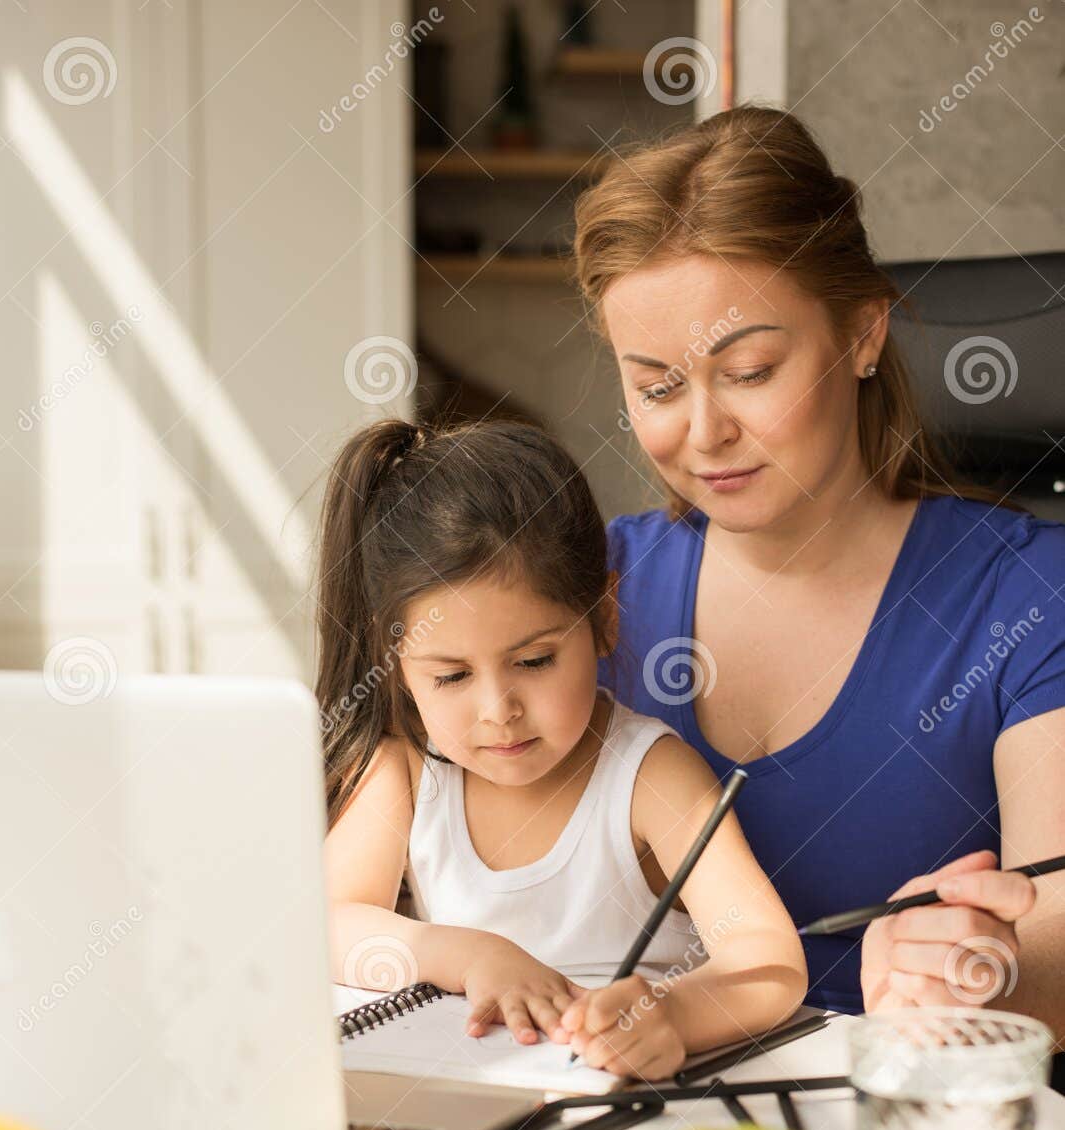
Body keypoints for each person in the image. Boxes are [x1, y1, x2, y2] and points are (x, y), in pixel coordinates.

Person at [573, 103, 1065, 1040]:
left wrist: (982, 973)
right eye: (657, 387)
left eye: (751, 371)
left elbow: (1062, 944)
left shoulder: (1032, 598)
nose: (704, 432)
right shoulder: (580, 593)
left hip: (907, 1103)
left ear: (864, 334)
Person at [316, 416, 807, 1080]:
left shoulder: (649, 776)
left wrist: (673, 1014)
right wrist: (471, 955)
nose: (498, 711)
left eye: (535, 661)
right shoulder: (403, 766)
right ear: (394, 659)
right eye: (451, 676)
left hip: (628, 1101)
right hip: (483, 1097)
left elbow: (770, 960)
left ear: (604, 618)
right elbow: (328, 924)